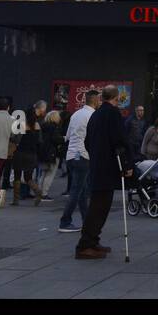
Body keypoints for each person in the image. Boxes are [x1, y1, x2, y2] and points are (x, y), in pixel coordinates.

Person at [76, 85, 133, 259]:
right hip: (107, 166)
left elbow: (87, 142)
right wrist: (128, 162)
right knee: (99, 207)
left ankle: (92, 241)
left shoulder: (96, 114)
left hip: (97, 165)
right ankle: (85, 244)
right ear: (116, 98)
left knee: (99, 205)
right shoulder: (113, 114)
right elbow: (120, 139)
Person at [59, 91, 99, 232]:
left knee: (82, 190)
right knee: (77, 190)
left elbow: (68, 136)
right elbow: (94, 138)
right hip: (83, 155)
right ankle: (65, 221)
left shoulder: (75, 114)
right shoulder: (93, 116)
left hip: (71, 155)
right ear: (95, 101)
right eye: (99, 100)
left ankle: (86, 221)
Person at [9, 101, 45, 205]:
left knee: (17, 176)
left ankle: (15, 200)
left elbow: (14, 138)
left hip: (20, 153)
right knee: (28, 177)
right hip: (32, 154)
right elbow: (40, 141)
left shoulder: (21, 124)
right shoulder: (37, 125)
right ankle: (37, 190)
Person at [38, 109, 65, 199]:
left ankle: (39, 192)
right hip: (52, 153)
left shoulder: (43, 126)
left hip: (43, 152)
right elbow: (56, 139)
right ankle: (44, 193)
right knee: (50, 174)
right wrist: (63, 138)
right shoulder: (54, 127)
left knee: (43, 174)